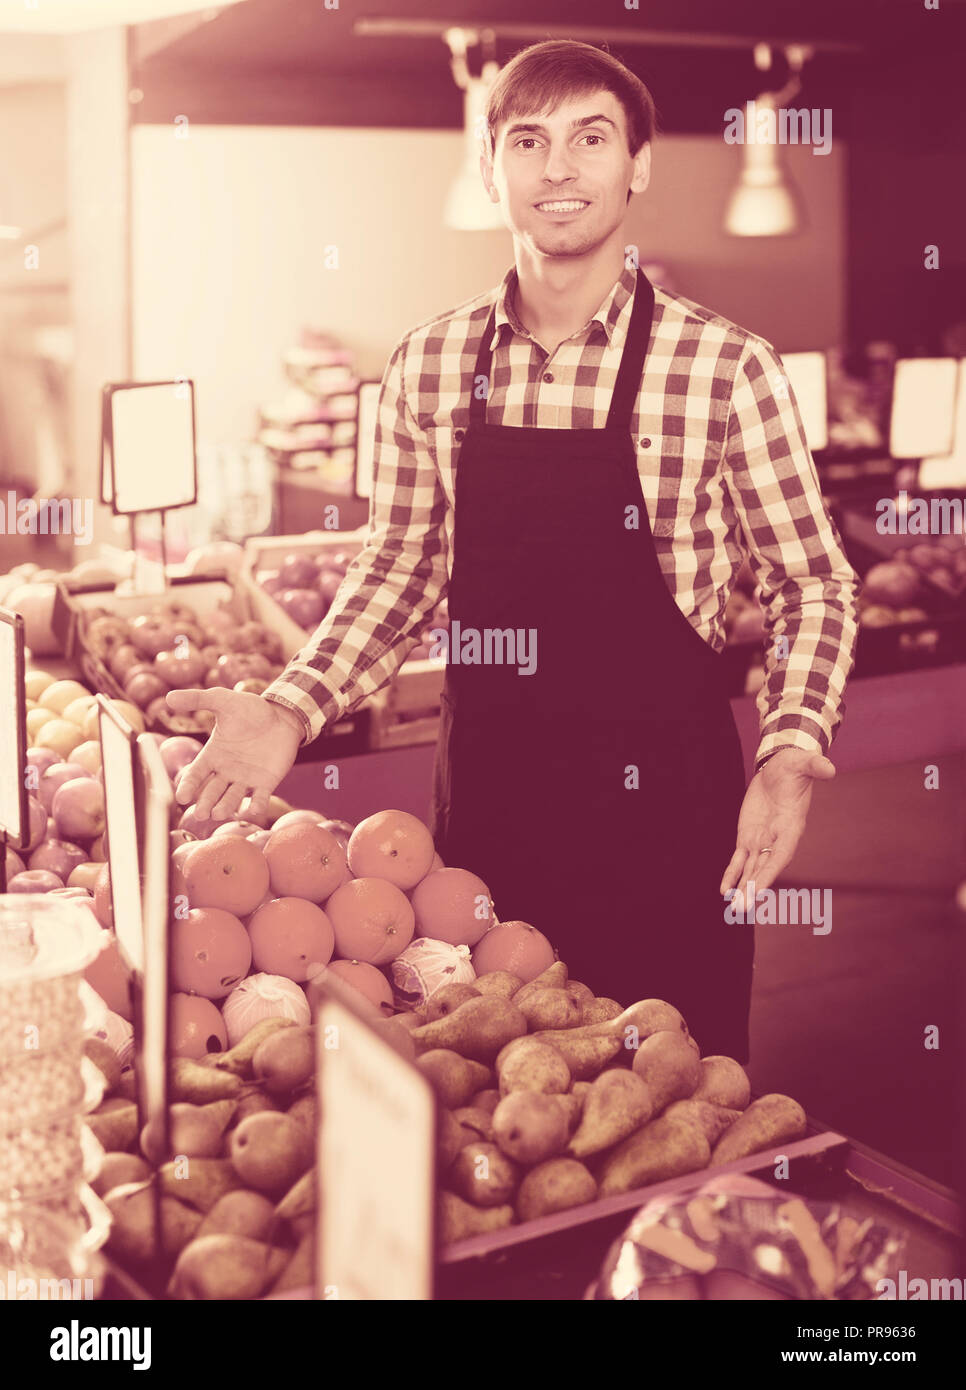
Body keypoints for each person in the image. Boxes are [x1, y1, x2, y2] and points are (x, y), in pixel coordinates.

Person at [169, 40, 860, 1064]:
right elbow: (398, 568)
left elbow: (813, 582)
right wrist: (291, 707)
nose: (560, 168)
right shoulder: (430, 363)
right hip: (496, 802)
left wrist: (792, 746)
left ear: (640, 164)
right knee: (495, 1081)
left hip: (668, 810)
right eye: (528, 142)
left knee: (675, 1081)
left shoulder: (725, 367)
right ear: (492, 169)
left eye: (591, 138)